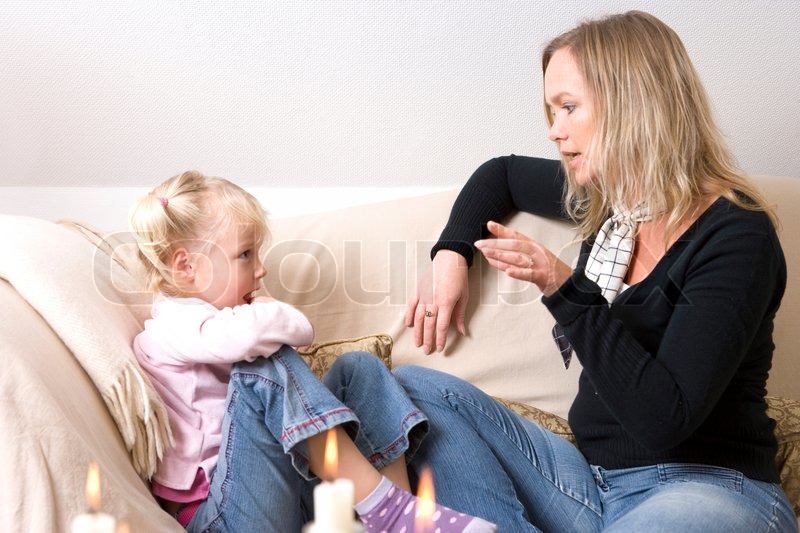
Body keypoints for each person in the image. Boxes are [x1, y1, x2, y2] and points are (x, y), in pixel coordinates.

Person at [400, 10, 797, 532]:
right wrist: (451, 254)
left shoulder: (736, 236)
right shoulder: (612, 205)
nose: (553, 131)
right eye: (550, 110)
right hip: (593, 487)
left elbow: (665, 419)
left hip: (711, 487)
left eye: (568, 108)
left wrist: (564, 287)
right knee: (416, 392)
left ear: (633, 103)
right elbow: (501, 174)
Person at [129, 170, 496, 532]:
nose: (261, 270)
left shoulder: (223, 323)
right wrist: (274, 313)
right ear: (186, 267)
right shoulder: (172, 324)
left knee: (359, 369)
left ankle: (401, 515)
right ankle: (389, 510)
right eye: (245, 255)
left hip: (280, 494)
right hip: (222, 515)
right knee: (262, 365)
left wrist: (271, 317)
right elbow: (265, 336)